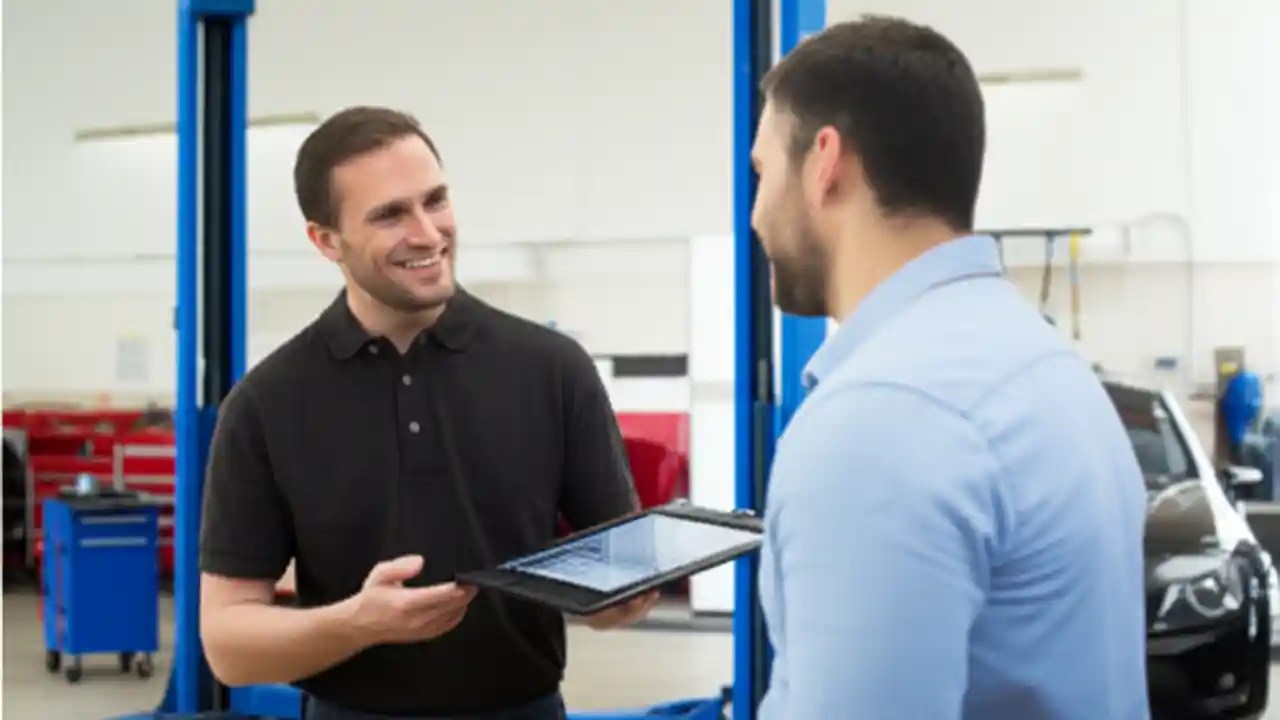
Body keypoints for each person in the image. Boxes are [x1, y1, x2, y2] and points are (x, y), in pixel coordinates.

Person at [198, 106, 658, 720]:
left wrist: (625, 596)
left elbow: (621, 583)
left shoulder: (553, 369)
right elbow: (229, 647)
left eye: (435, 200)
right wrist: (357, 624)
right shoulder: (265, 404)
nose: (427, 233)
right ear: (326, 240)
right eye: (390, 214)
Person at [749, 16, 1149, 720]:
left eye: (762, 173)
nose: (755, 215)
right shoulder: (1041, 362)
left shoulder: (880, 419)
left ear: (824, 163)